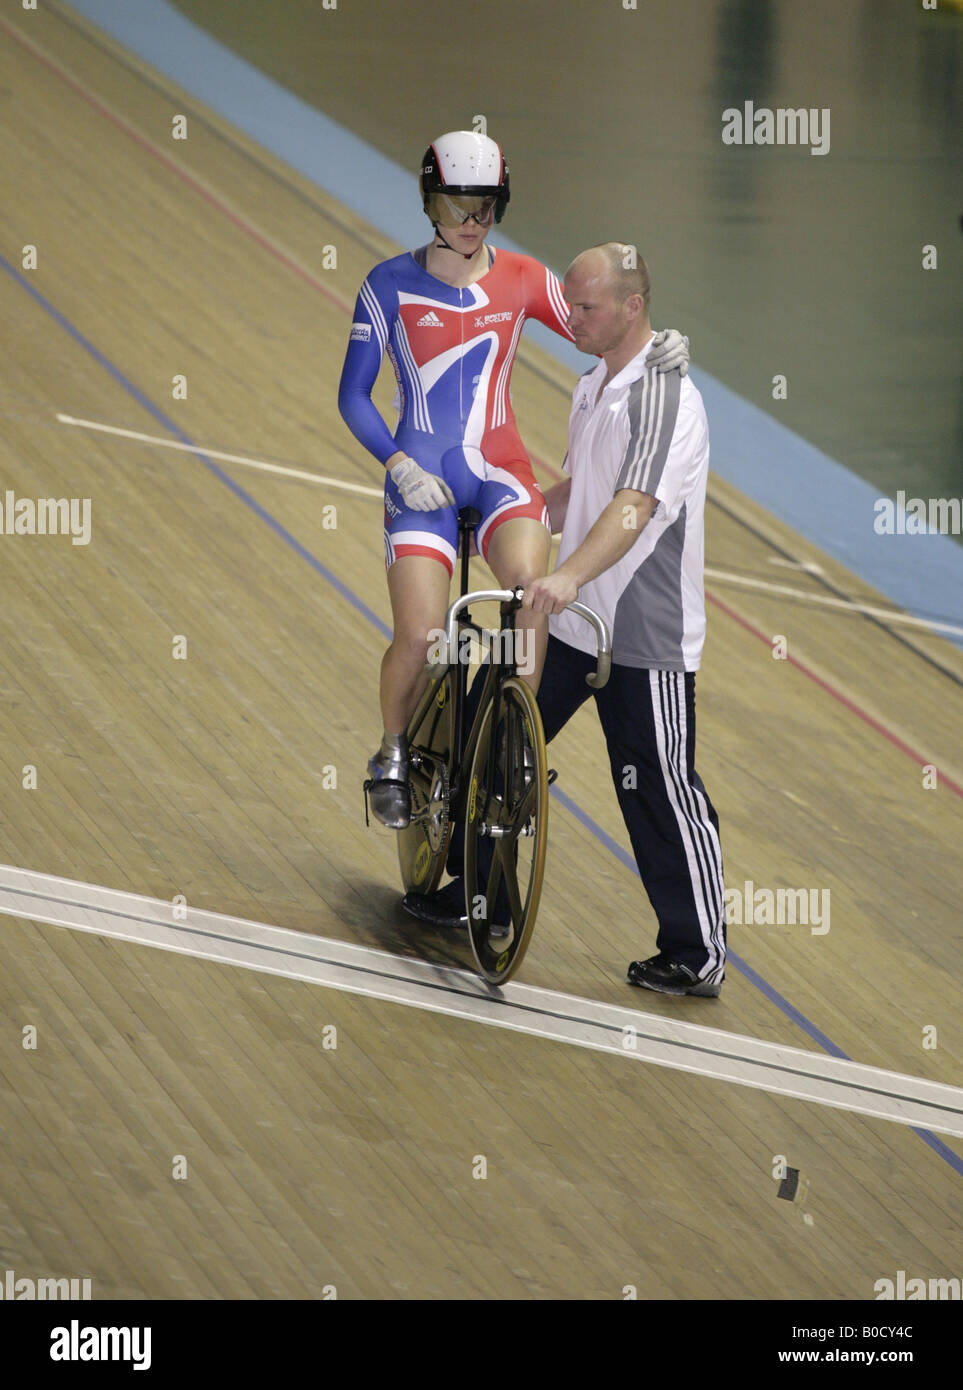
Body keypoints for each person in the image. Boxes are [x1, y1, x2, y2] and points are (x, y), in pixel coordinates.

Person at [337, 131, 689, 828]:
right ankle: (392, 750)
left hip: (501, 473)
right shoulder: (386, 285)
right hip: (420, 479)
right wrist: (399, 465)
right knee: (421, 636)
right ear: (429, 204)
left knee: (533, 596)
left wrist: (656, 346)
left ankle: (514, 750)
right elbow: (353, 396)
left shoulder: (523, 277)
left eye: (486, 208)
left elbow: (600, 328)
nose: (472, 223)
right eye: (457, 206)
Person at [404, 243, 726, 998]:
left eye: (585, 307)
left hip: (639, 633)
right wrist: (503, 520)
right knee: (489, 737)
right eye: (569, 303)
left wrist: (567, 575)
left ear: (632, 307)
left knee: (656, 787)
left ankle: (696, 951)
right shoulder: (593, 385)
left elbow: (633, 505)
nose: (569, 318)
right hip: (567, 618)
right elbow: (583, 488)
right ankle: (483, 894)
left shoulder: (664, 397)